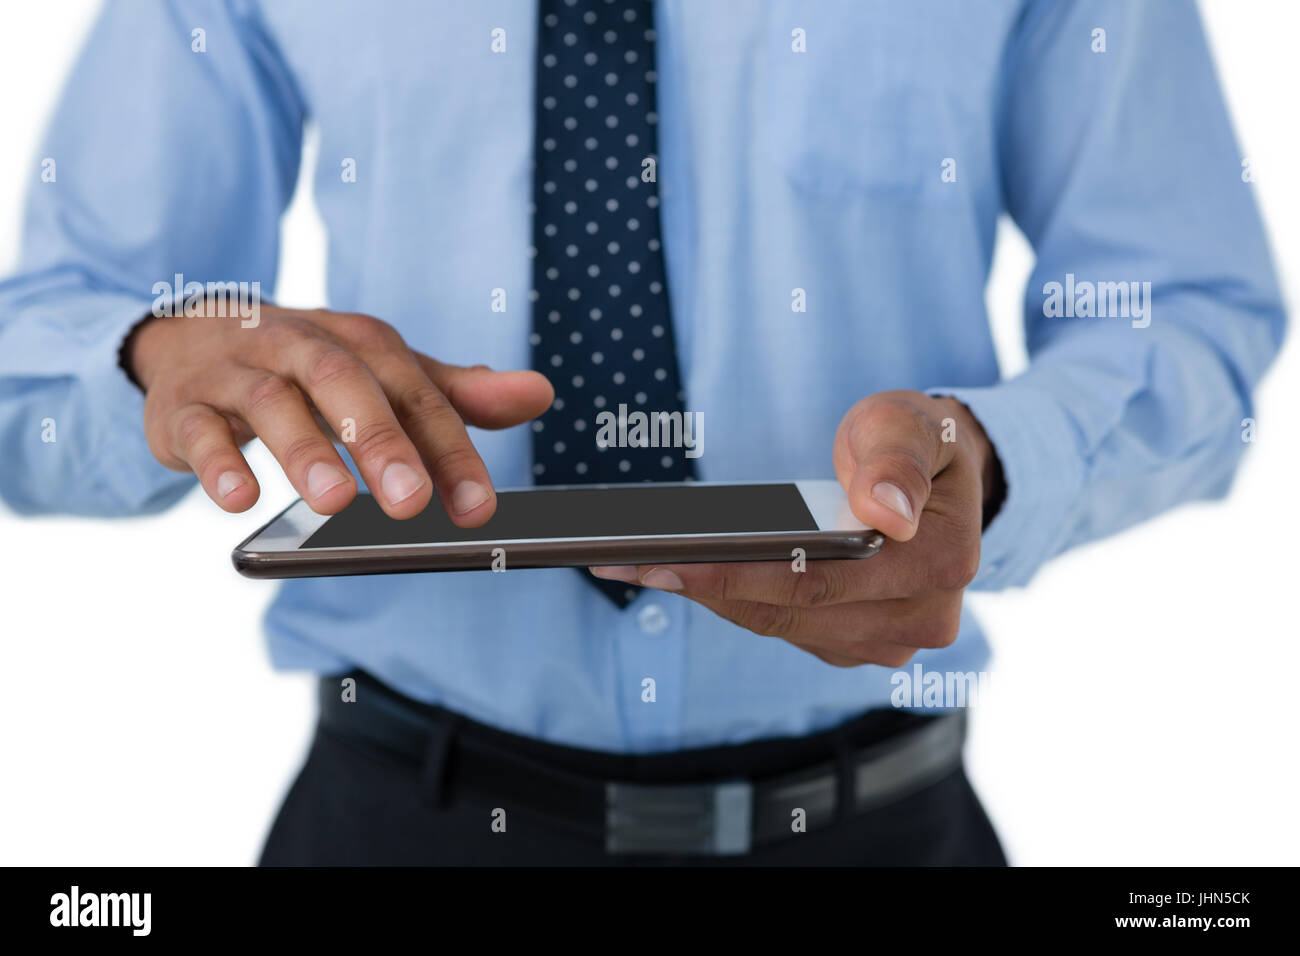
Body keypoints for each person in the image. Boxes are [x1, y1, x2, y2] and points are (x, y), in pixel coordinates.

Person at [0, 0, 1284, 865]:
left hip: (876, 826)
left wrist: (998, 464)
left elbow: (1189, 307)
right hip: (398, 818)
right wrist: (152, 358)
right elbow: (42, 350)